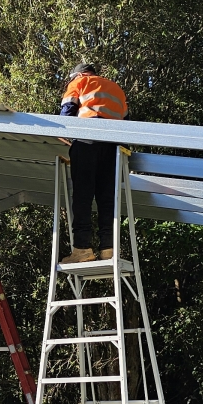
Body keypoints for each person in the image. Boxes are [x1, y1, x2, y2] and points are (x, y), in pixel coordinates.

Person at [57, 63, 128, 264]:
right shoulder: (116, 89)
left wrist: (63, 135)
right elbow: (127, 123)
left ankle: (82, 249)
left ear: (79, 74)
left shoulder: (80, 82)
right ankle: (108, 249)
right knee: (107, 199)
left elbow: (67, 114)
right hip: (113, 147)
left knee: (82, 196)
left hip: (87, 142)